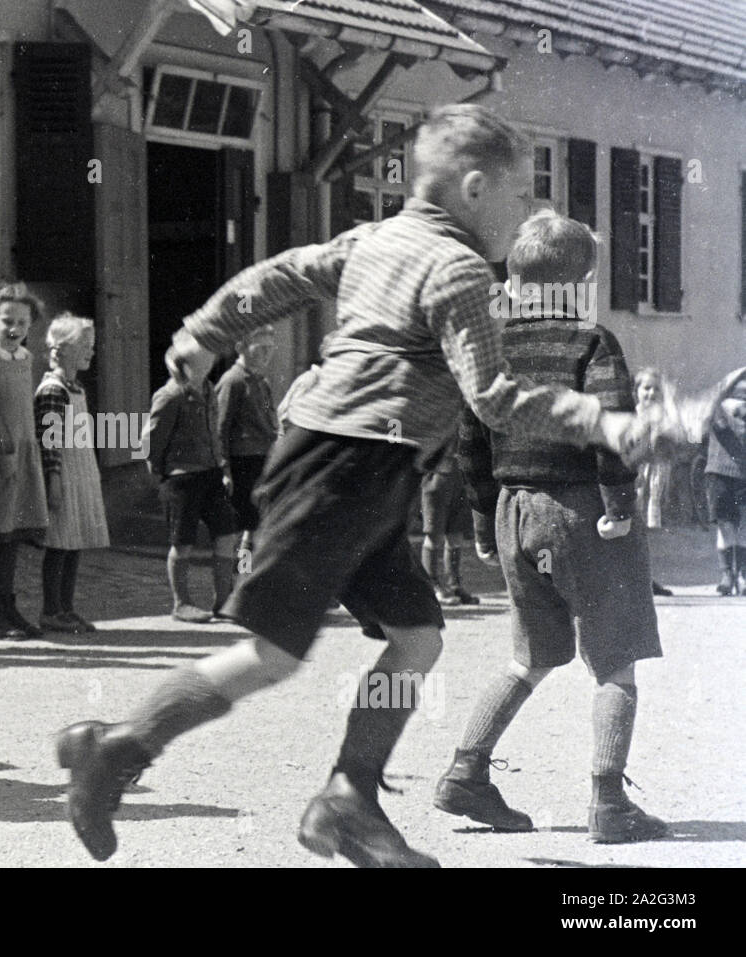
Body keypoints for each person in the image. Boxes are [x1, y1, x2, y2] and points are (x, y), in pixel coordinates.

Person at [55, 103, 674, 867]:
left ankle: (349, 798)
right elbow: (494, 396)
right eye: (523, 197)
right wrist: (603, 423)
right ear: (476, 189)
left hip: (363, 463)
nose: (529, 213)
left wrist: (203, 331)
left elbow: (281, 275)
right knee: (271, 654)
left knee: (416, 637)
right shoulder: (459, 272)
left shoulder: (378, 238)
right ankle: (117, 748)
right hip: (345, 462)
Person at [436, 210, 667, 844]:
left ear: (516, 277)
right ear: (582, 279)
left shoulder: (490, 349)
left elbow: (470, 443)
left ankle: (466, 771)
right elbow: (608, 426)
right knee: (616, 662)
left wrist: (484, 521)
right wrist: (619, 507)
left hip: (514, 509)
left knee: (527, 658)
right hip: (581, 511)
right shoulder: (591, 342)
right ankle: (609, 803)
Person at [0, 283, 49, 638]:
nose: (14, 328)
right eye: (6, 321)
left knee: (13, 534)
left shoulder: (26, 358)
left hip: (23, 455)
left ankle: (8, 605)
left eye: (22, 321)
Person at [143, 342, 239, 624]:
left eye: (210, 360)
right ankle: (182, 603)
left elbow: (215, 433)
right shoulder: (170, 395)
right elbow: (151, 440)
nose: (208, 365)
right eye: (202, 361)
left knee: (226, 534)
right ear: (184, 364)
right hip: (181, 479)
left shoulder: (209, 391)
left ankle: (224, 600)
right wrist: (162, 473)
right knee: (182, 541)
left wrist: (223, 467)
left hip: (210, 474)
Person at [34, 314, 109, 632]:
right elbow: (49, 442)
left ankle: (67, 607)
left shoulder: (76, 387)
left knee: (74, 541)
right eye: (83, 345)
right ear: (61, 349)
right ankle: (51, 609)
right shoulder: (53, 390)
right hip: (63, 473)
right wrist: (53, 479)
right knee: (59, 543)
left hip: (80, 471)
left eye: (91, 346)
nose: (90, 352)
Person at [216, 325, 278, 562]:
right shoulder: (232, 381)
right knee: (242, 520)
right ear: (241, 347)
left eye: (270, 348)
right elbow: (220, 428)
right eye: (261, 348)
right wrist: (224, 469)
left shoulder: (262, 382)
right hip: (242, 463)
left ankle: (247, 571)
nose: (267, 354)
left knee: (255, 522)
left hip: (263, 459)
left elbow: (270, 419)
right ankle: (238, 574)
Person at [419, 440, 480, 605]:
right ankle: (432, 587)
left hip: (459, 477)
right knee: (434, 535)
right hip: (436, 477)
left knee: (456, 536)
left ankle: (455, 586)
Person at [703, 366, 746, 595]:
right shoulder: (718, 411)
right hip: (720, 471)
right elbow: (708, 407)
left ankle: (743, 575)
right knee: (725, 525)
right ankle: (727, 574)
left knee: (745, 527)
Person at [633, 367, 673, 596]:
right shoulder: (632, 414)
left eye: (656, 389)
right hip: (638, 475)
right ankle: (633, 578)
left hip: (656, 476)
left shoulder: (664, 416)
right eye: (646, 388)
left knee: (647, 530)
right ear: (637, 391)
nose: (651, 394)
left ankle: (646, 577)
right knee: (633, 527)